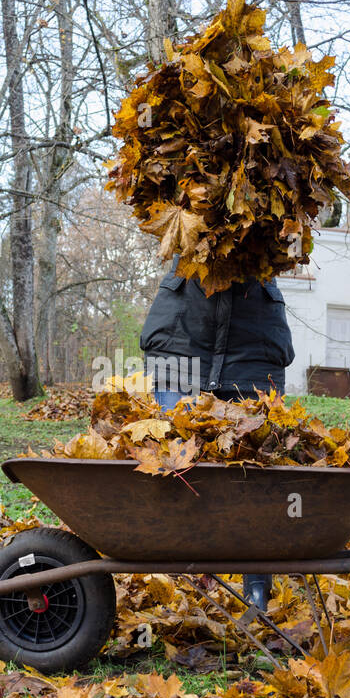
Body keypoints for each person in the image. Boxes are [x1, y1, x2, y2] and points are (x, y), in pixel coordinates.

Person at [139, 254, 294, 616]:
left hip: (253, 349)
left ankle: (256, 587)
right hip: (181, 343)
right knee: (177, 467)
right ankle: (182, 573)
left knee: (254, 478)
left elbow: (316, 217)